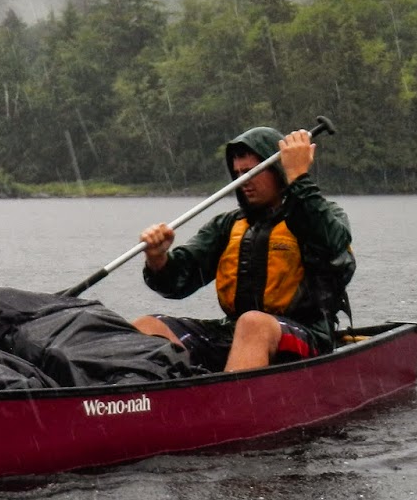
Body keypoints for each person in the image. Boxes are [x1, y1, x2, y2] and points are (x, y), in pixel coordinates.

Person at [130, 125, 355, 372]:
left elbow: (332, 246)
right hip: (236, 334)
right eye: (237, 174)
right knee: (147, 327)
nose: (243, 182)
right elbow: (177, 282)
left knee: (253, 324)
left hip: (306, 337)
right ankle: (140, 402)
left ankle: (228, 405)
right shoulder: (228, 225)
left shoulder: (322, 215)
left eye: (251, 172)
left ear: (279, 171)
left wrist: (298, 178)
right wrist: (157, 259)